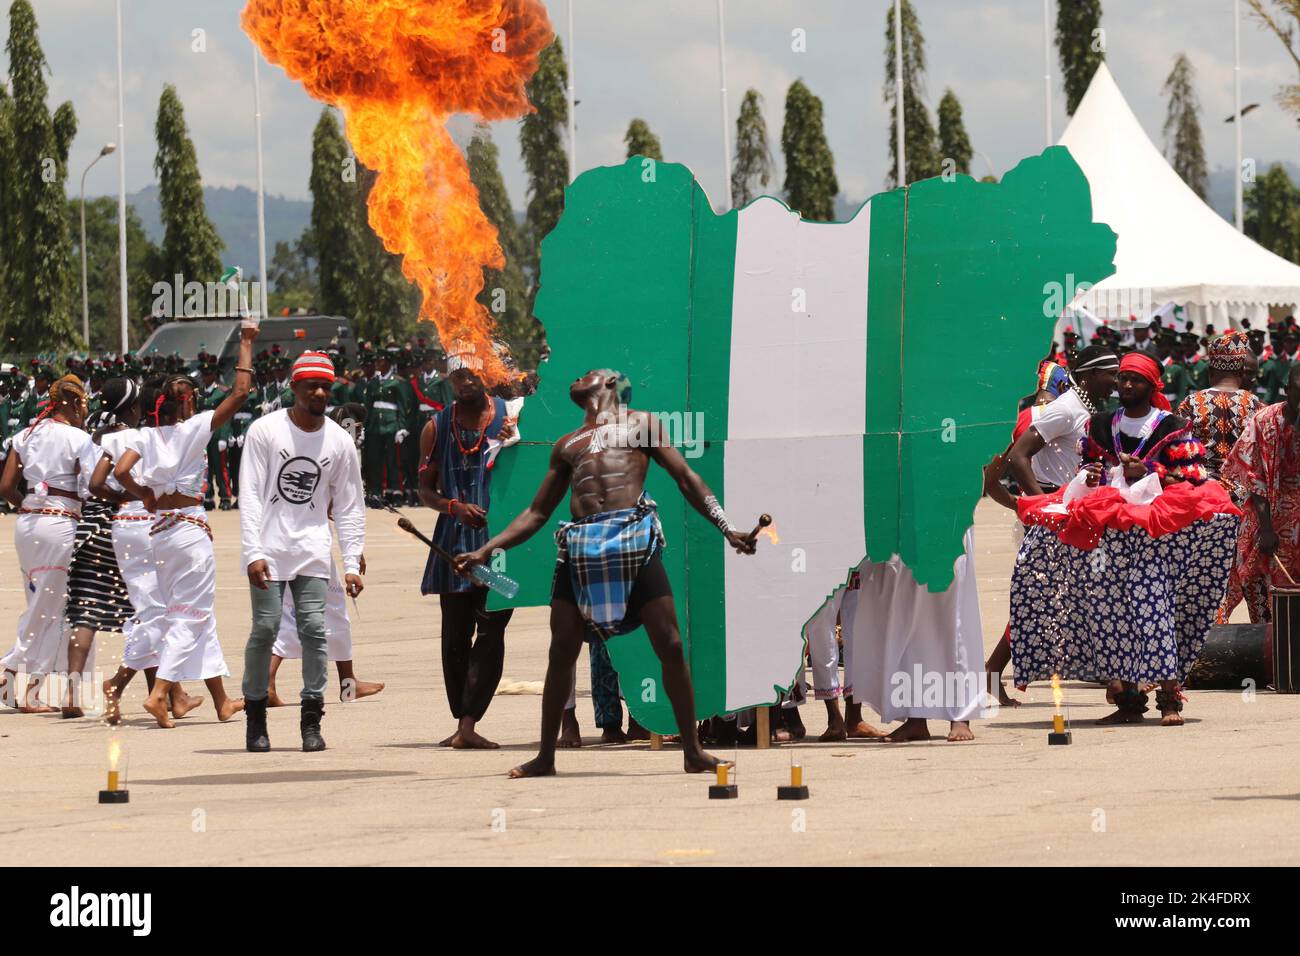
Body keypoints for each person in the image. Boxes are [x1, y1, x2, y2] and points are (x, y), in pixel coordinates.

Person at [454, 368, 757, 778]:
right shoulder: (567, 444)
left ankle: (693, 751)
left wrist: (726, 526)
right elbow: (537, 512)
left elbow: (685, 477)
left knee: (670, 643)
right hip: (581, 547)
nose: (577, 379)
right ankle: (545, 757)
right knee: (561, 651)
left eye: (588, 374)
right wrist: (486, 550)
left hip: (633, 538)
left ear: (611, 382)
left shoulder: (641, 424)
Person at [1011, 352, 1237, 727]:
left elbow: (1193, 479)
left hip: (1154, 534)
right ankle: (1128, 701)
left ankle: (1169, 700)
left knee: (1153, 609)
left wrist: (1149, 470)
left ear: (1152, 385)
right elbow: (1089, 468)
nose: (1127, 385)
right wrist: (1094, 475)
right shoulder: (1100, 425)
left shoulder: (1172, 427)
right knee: (1114, 615)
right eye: (1123, 378)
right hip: (1111, 532)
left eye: (1136, 379)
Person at [113, 326, 259, 728]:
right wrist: (246, 343)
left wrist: (143, 493)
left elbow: (121, 471)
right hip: (190, 533)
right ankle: (159, 693)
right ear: (181, 404)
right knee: (189, 617)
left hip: (160, 534)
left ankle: (222, 701)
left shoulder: (144, 435)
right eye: (190, 396)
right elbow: (240, 393)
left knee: (196, 615)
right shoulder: (191, 429)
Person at [238, 351, 366, 752]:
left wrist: (352, 561)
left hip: (312, 550)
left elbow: (349, 505)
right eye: (312, 386)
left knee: (314, 630)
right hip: (269, 549)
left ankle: (311, 720)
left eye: (326, 386)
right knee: (265, 629)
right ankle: (256, 718)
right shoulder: (265, 431)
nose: (320, 393)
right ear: (294, 387)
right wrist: (252, 552)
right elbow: (250, 494)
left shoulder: (339, 440)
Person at [417, 356, 514, 749]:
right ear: (450, 379)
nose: (466, 382)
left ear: (485, 374)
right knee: (455, 637)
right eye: (459, 376)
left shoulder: (510, 417)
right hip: (454, 548)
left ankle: (469, 722)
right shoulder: (435, 427)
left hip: (500, 546)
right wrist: (453, 507)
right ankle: (462, 721)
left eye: (473, 374)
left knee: (492, 630)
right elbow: (425, 491)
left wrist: (516, 440)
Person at [92, 381, 201, 725]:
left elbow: (96, 483)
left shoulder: (119, 439)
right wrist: (144, 496)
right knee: (159, 614)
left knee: (154, 611)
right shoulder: (156, 437)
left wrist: (125, 498)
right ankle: (118, 684)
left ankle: (174, 696)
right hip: (150, 525)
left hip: (124, 525)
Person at [0, 376, 90, 712]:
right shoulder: (78, 438)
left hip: (28, 525)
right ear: (74, 402)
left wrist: (29, 505)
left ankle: (26, 690)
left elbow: (6, 486)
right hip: (59, 525)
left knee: (42, 607)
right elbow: (89, 485)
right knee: (50, 610)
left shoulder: (26, 434)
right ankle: (10, 671)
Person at [59, 379, 144, 718]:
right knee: (146, 610)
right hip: (121, 524)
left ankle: (71, 693)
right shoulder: (131, 438)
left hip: (87, 527)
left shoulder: (89, 438)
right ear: (132, 408)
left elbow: (83, 482)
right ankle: (165, 695)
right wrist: (124, 496)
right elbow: (105, 483)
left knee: (86, 614)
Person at [1219, 363, 1300, 623]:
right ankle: (1267, 639)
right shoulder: (1264, 421)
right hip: (1268, 519)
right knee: (1260, 586)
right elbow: (1255, 478)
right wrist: (1266, 529)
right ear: (1287, 390)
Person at [1175, 330, 1263, 481]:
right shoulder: (1255, 404)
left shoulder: (1191, 403)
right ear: (1241, 372)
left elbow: (1178, 451)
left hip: (1201, 487)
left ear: (1210, 371)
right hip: (1242, 489)